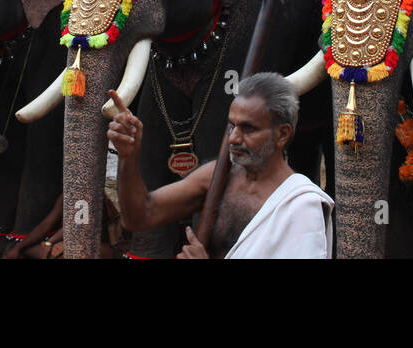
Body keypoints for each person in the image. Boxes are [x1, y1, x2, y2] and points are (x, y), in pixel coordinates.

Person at [107, 71, 333, 259]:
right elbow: (139, 217)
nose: (233, 137)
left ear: (282, 134)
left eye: (248, 128)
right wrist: (128, 156)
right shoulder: (218, 176)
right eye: (232, 125)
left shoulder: (301, 206)